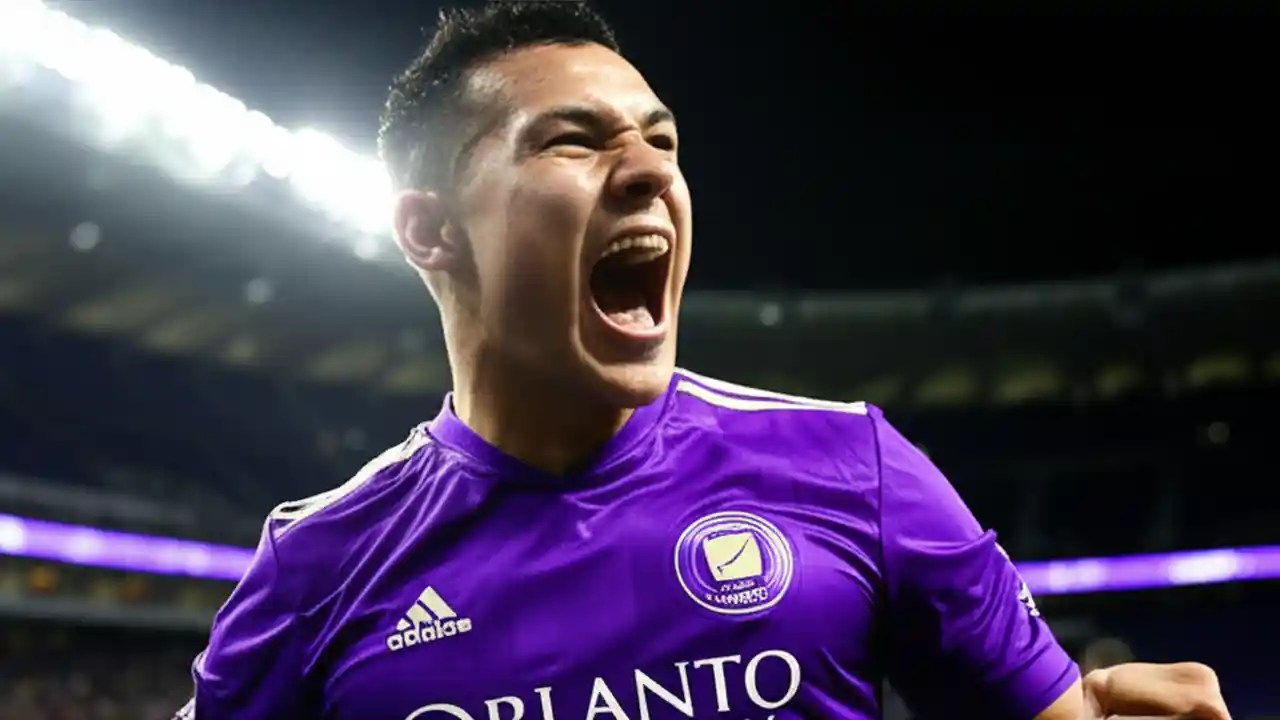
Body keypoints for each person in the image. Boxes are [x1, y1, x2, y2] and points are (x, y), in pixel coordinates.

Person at [176, 3, 1231, 719]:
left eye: (661, 140)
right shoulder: (317, 567)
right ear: (431, 230)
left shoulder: (852, 468)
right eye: (573, 141)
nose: (647, 171)